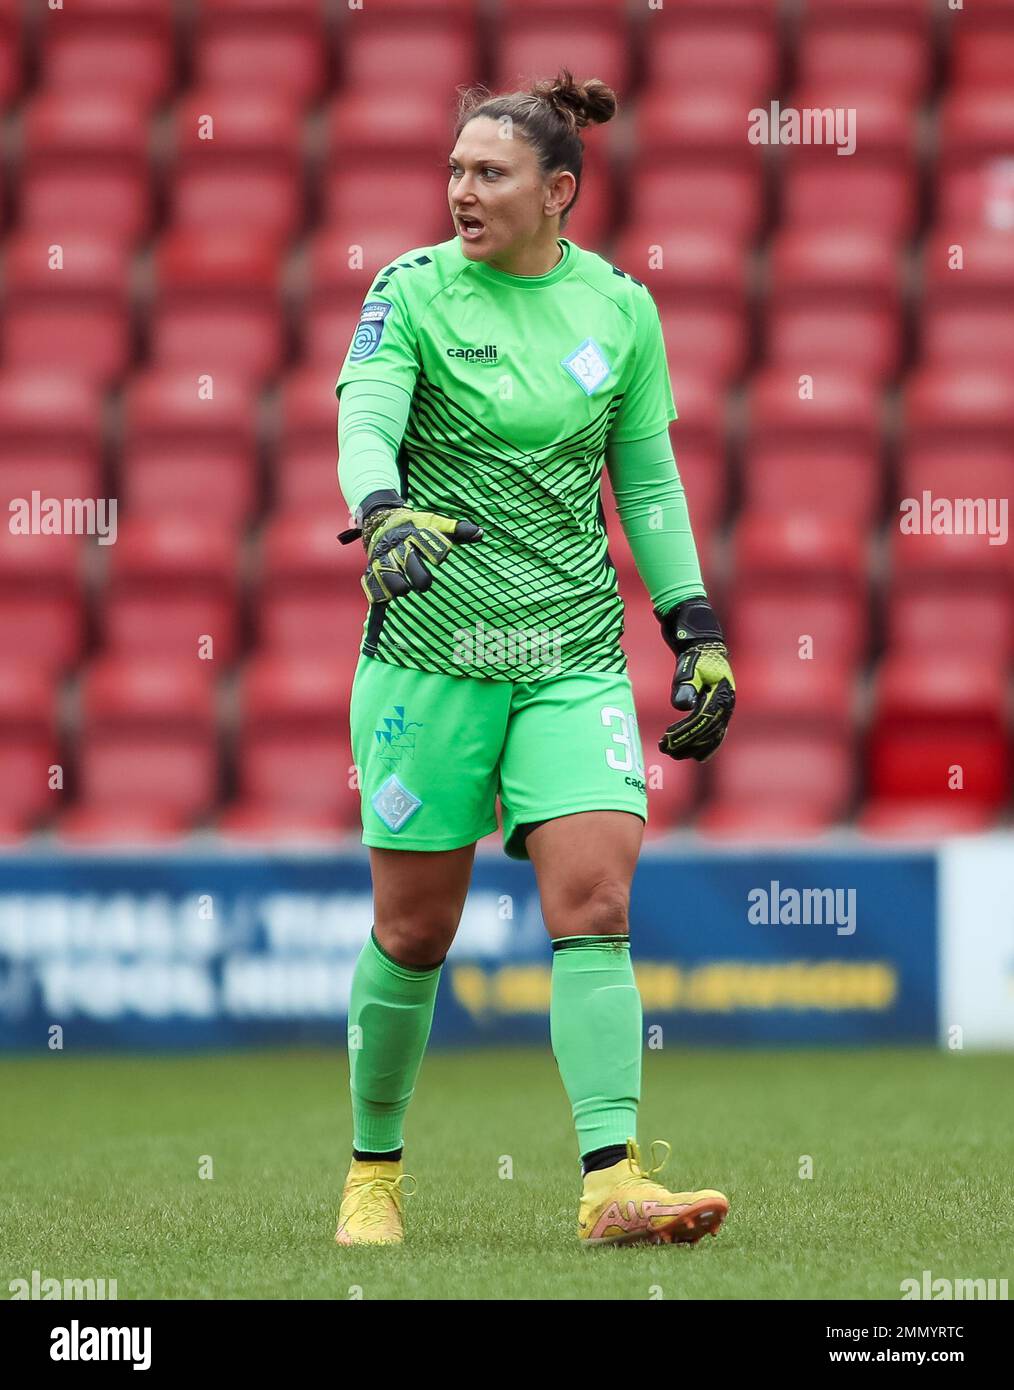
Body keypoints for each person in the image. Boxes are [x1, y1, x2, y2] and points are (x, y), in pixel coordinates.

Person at [332, 69, 735, 1248]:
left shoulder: (622, 310)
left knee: (597, 899)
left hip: (570, 651)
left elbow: (648, 481)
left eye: (489, 172)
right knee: (415, 931)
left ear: (558, 191)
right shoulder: (407, 289)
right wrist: (382, 507)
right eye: (455, 169)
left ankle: (611, 1181)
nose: (462, 189)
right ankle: (372, 1177)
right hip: (428, 653)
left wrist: (695, 627)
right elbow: (365, 406)